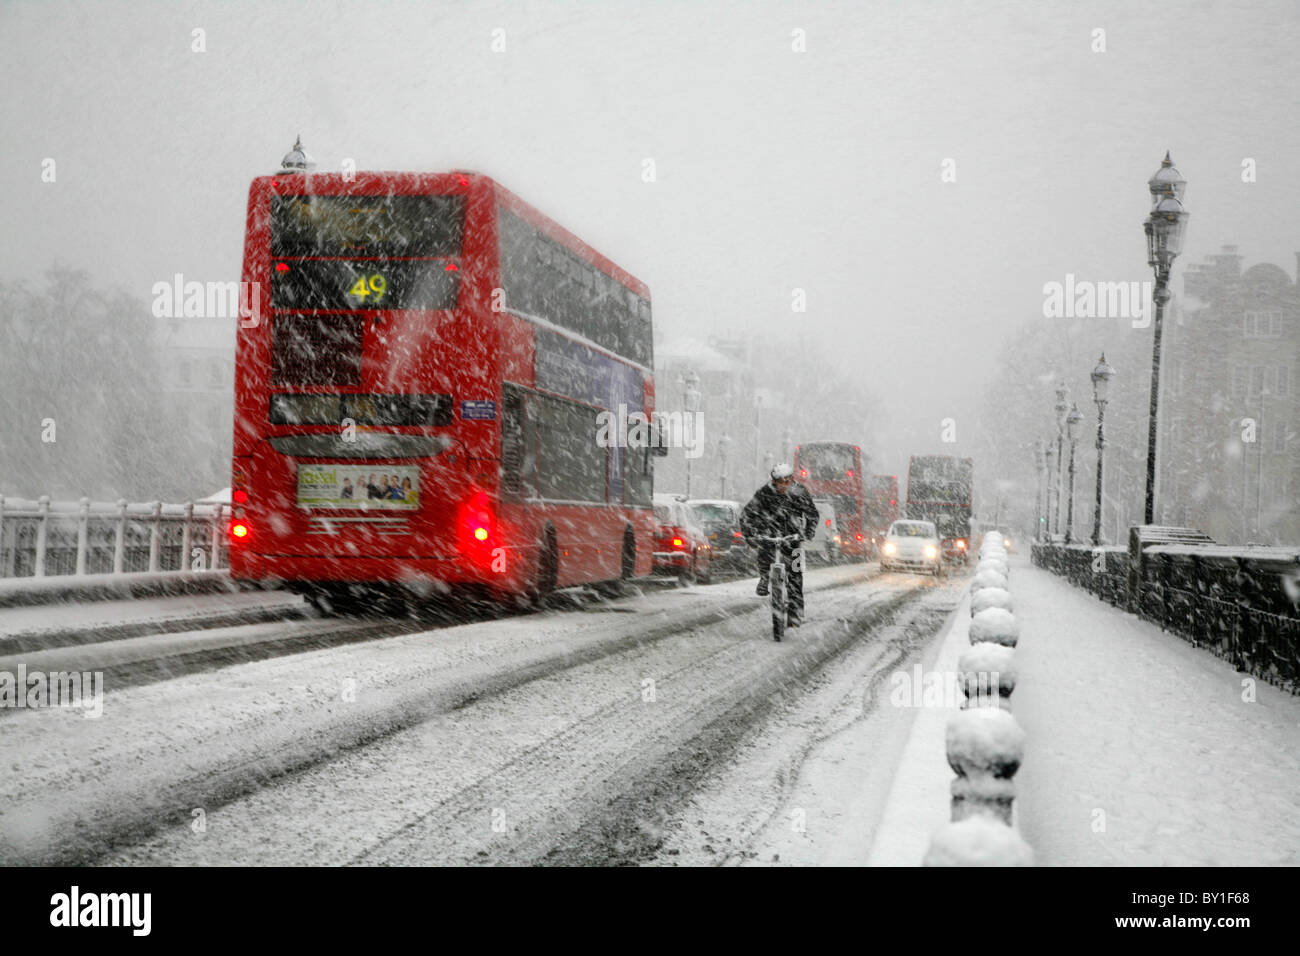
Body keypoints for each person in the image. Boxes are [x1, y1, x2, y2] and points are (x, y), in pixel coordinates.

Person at [741, 463, 819, 625]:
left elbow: (812, 514)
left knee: (796, 576)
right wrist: (751, 535)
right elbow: (747, 515)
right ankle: (764, 578)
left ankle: (795, 613)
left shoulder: (800, 492)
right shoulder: (764, 494)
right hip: (769, 535)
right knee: (765, 553)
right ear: (774, 481)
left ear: (792, 480)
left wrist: (808, 532)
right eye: (780, 482)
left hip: (793, 539)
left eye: (787, 481)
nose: (784, 485)